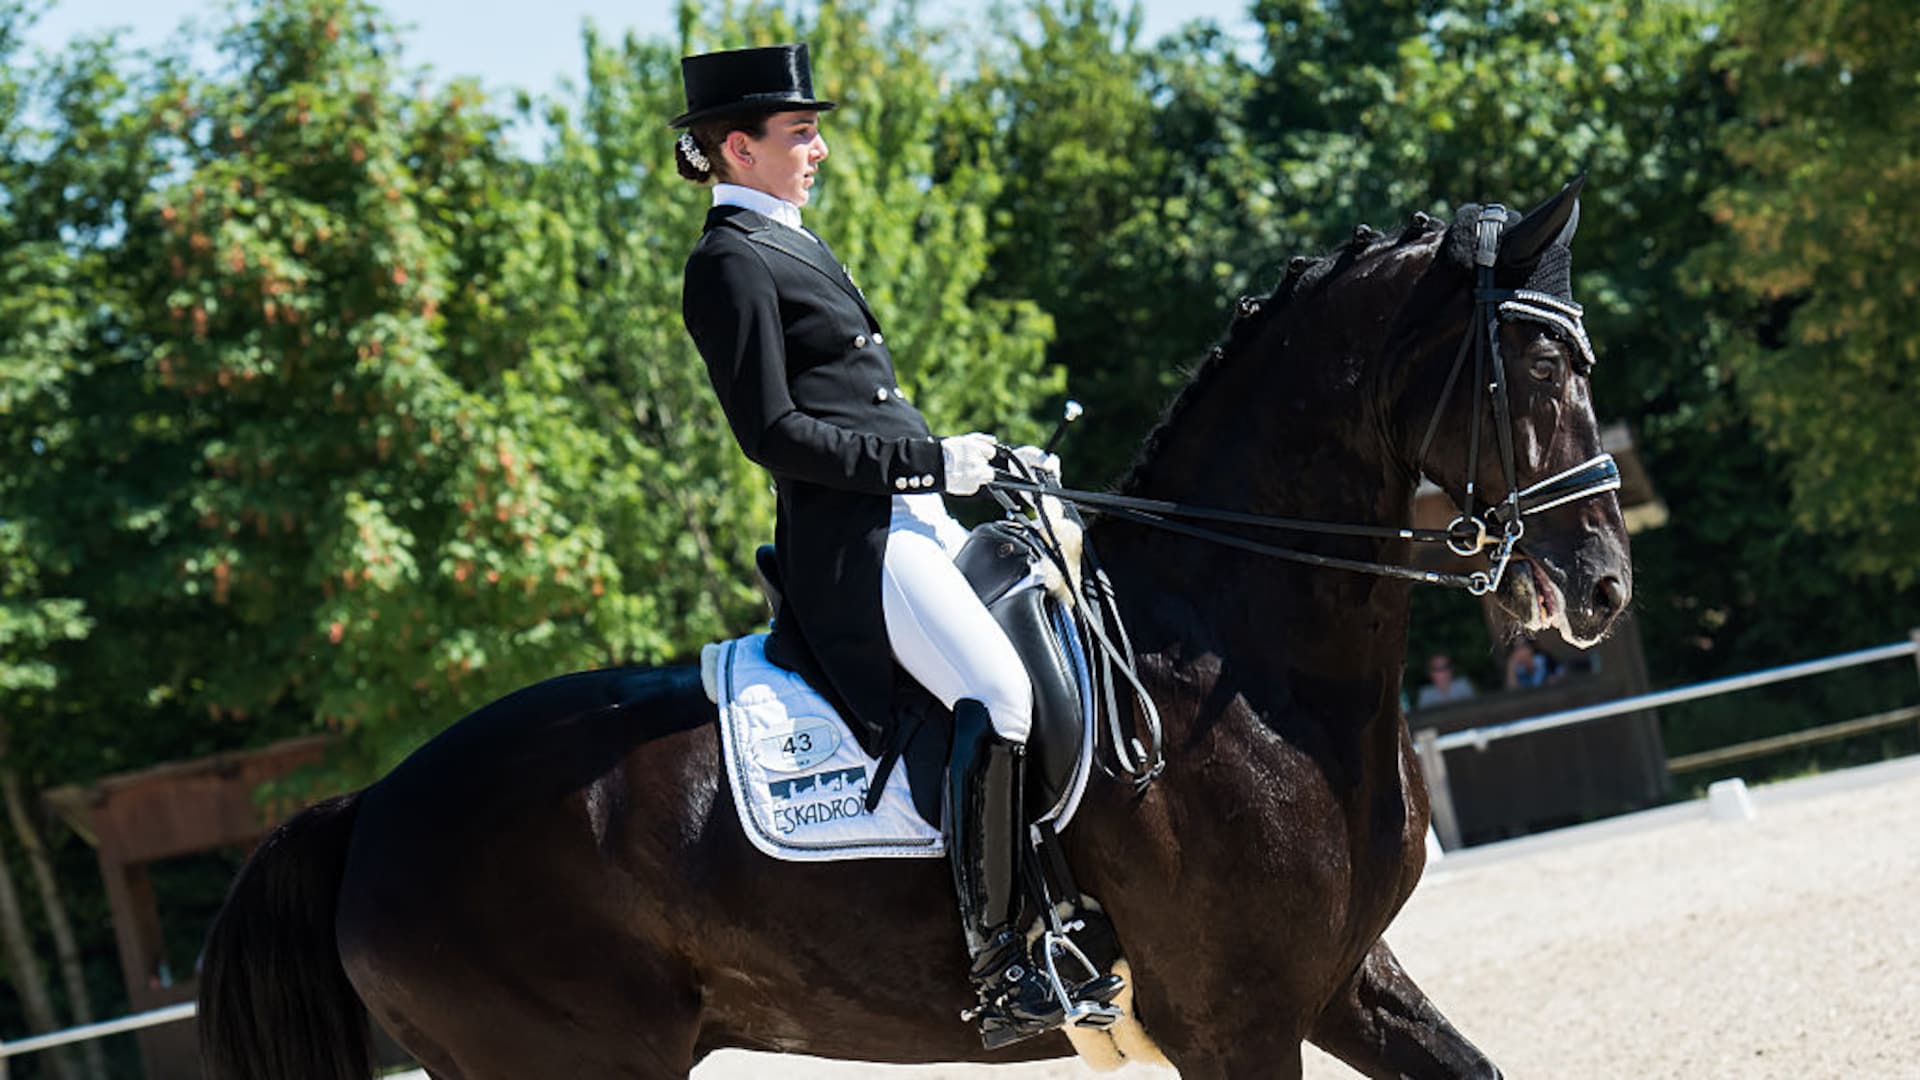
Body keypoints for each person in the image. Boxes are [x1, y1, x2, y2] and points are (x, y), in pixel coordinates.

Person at [672, 44, 1116, 1048]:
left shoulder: (789, 237)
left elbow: (859, 402)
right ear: (738, 147)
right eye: (801, 134)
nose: (819, 148)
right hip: (856, 545)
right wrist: (928, 464)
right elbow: (774, 434)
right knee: (996, 699)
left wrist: (981, 458)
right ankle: (1004, 960)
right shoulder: (729, 263)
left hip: (910, 518)